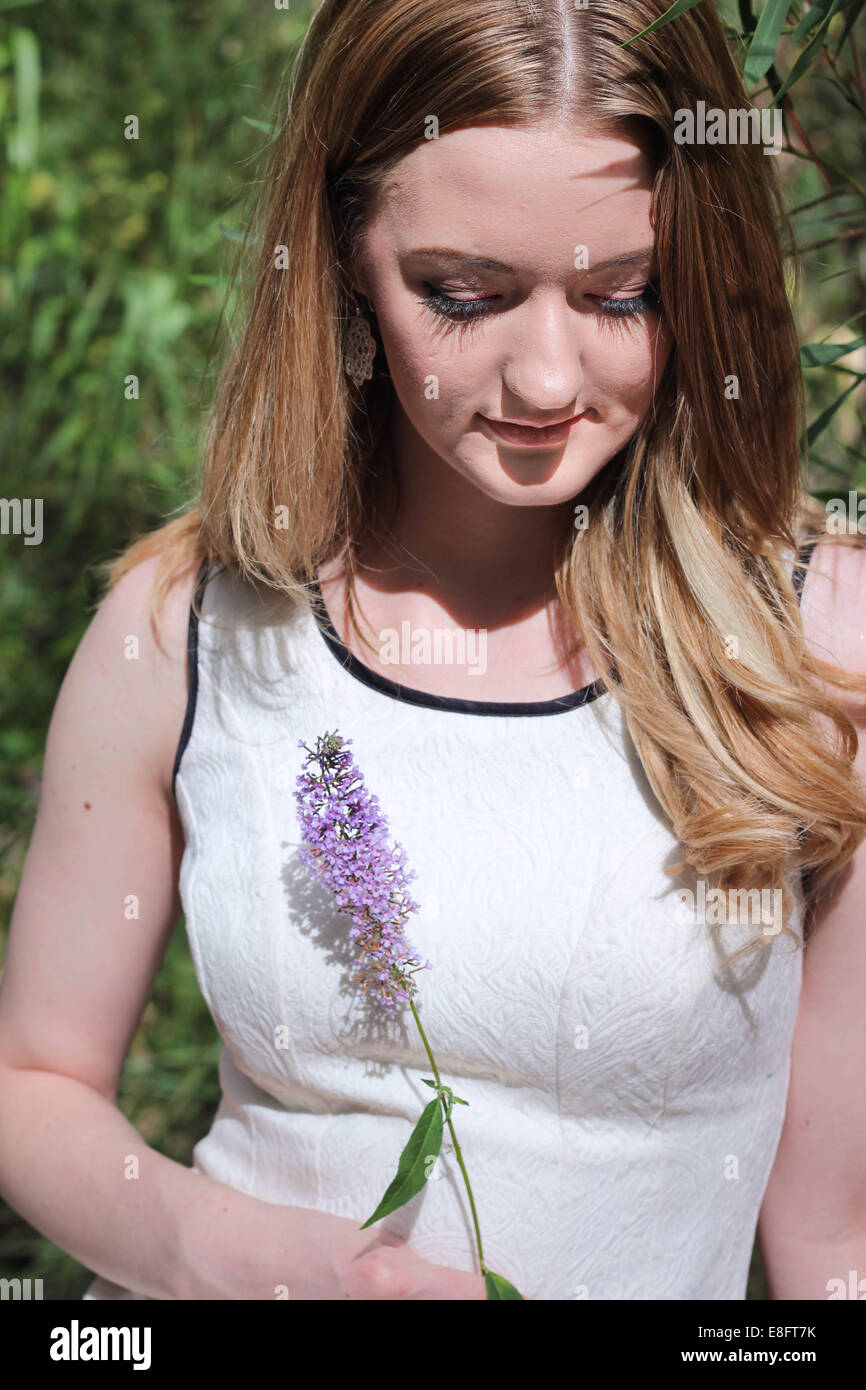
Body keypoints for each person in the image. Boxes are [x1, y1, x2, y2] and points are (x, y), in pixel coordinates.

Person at [1, 0, 865, 1302]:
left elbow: (825, 1244)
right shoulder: (185, 626)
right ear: (344, 249)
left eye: (620, 293)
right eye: (463, 294)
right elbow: (33, 1080)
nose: (541, 377)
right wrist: (229, 1254)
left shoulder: (820, 643)